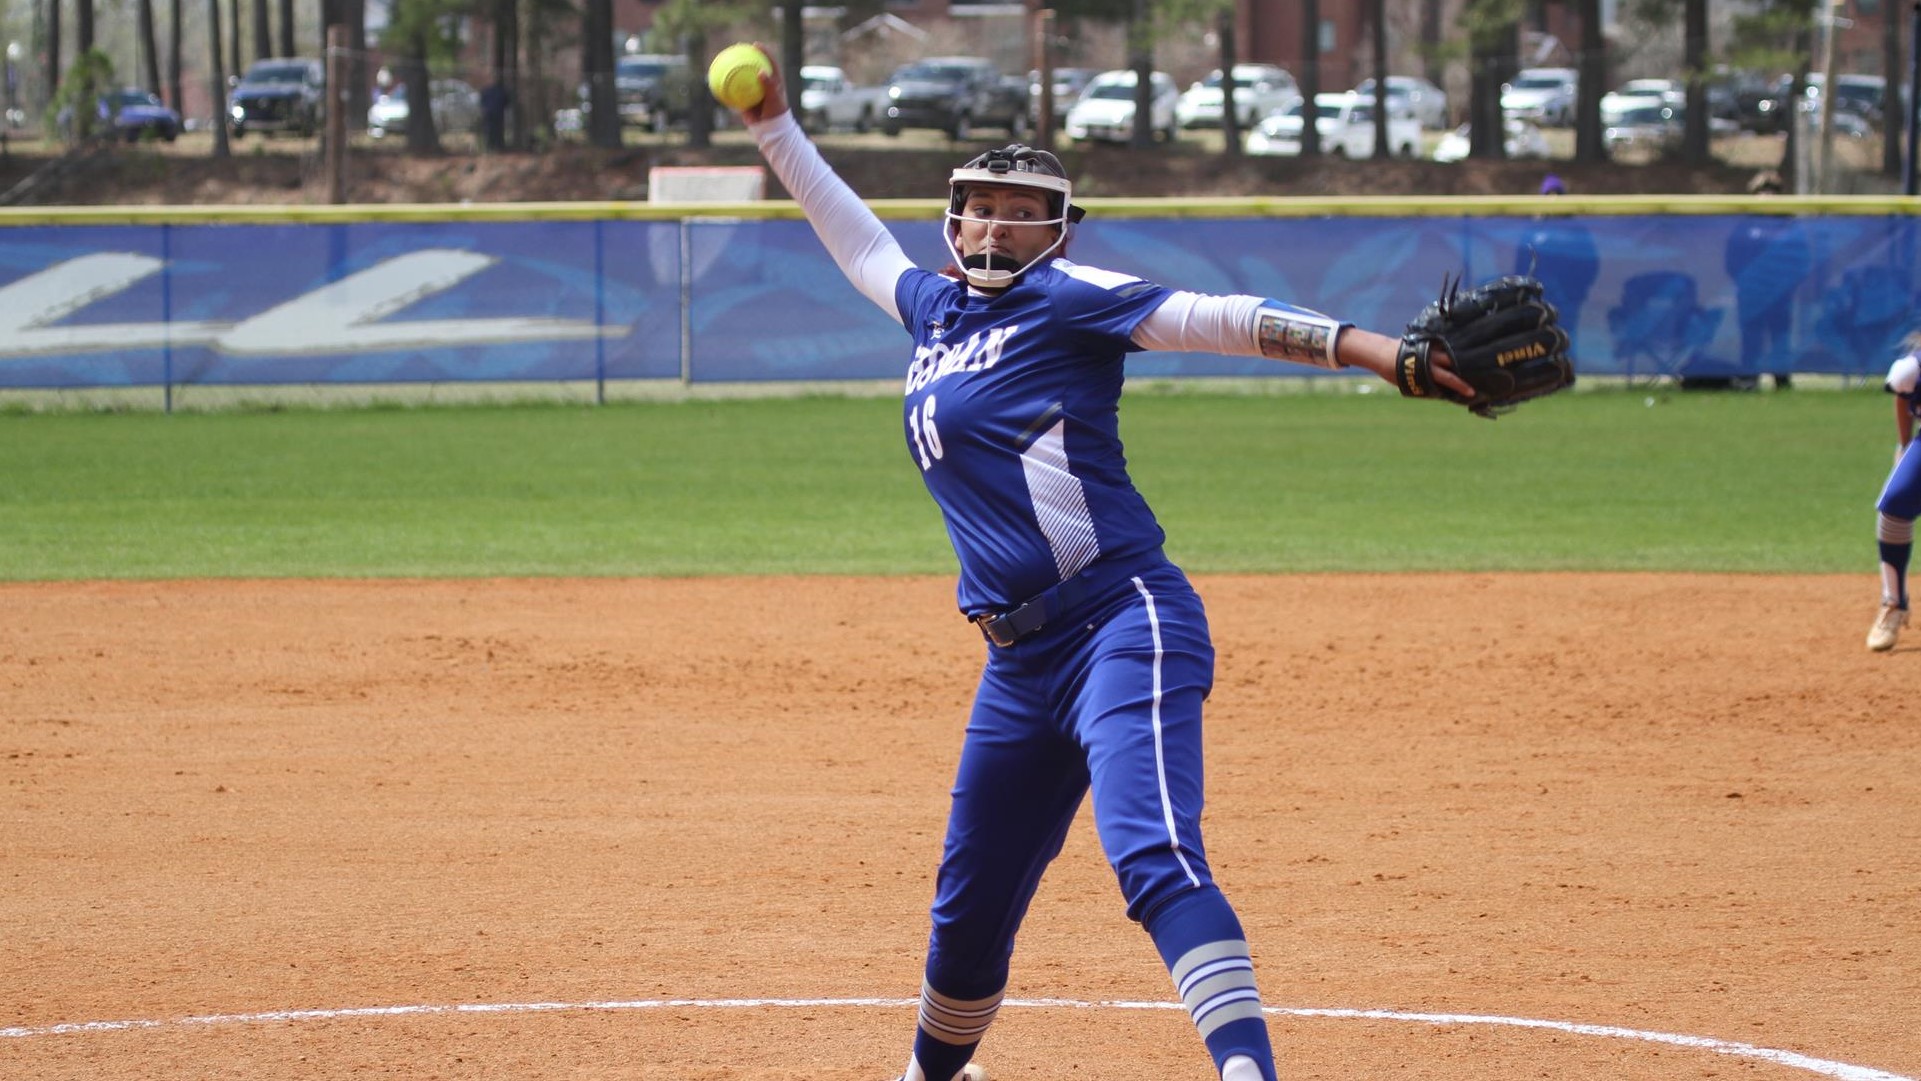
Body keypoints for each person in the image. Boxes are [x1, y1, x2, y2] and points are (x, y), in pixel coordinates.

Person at [727, 46, 1473, 1081]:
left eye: (1020, 210)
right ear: (952, 222)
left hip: (1123, 620)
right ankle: (934, 1075)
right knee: (970, 900)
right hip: (1016, 662)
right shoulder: (933, 313)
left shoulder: (1070, 298)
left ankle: (1247, 1073)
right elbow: (842, 224)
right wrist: (772, 122)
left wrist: (1379, 352)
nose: (994, 224)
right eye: (978, 207)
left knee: (1150, 849)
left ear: (1058, 228)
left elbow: (1223, 321)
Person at [1723, 169, 1808, 390]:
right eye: (1762, 191)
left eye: (1772, 191)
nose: (1767, 196)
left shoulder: (1789, 225)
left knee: (1780, 337)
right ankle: (1750, 379)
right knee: (1751, 337)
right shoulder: (1745, 225)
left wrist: (1787, 285)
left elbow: (1801, 259)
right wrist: (1746, 282)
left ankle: (1782, 380)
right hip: (1752, 292)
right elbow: (1732, 259)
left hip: (1780, 294)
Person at [1869, 332, 1921, 651]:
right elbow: (1903, 396)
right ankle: (1894, 602)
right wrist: (1903, 444)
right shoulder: (1911, 369)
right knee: (1894, 505)